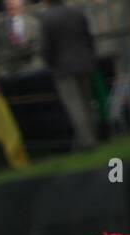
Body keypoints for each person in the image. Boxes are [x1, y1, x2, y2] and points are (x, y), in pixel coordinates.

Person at [40, 0, 98, 150]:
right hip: (84, 63)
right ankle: (91, 135)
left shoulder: (47, 19)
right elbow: (89, 38)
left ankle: (88, 141)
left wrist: (50, 64)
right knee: (87, 102)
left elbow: (47, 48)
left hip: (63, 67)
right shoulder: (76, 12)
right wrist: (90, 57)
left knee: (75, 106)